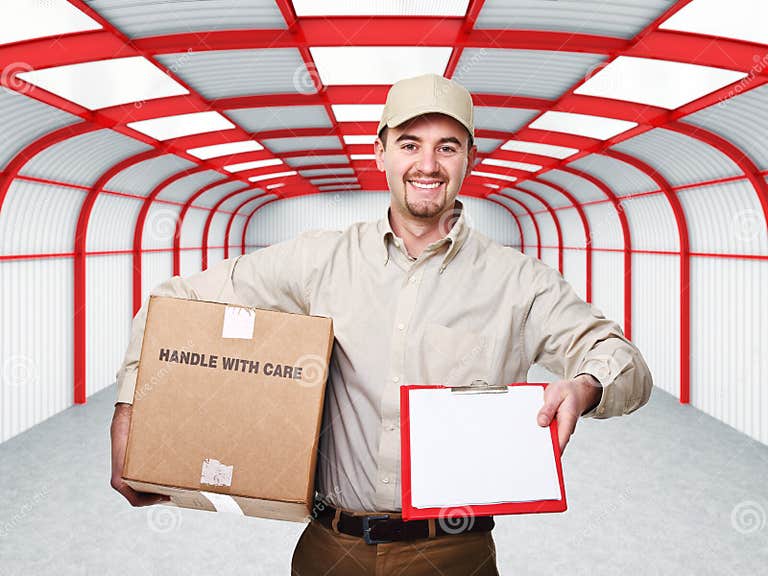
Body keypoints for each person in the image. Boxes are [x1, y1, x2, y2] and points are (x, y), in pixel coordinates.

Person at [110, 74, 653, 575]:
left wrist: (585, 387)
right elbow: (174, 301)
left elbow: (623, 360)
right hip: (331, 548)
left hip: (454, 553)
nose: (428, 164)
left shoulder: (519, 282)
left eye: (447, 147)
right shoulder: (319, 261)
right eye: (410, 144)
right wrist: (132, 413)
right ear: (381, 152)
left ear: (470, 158)